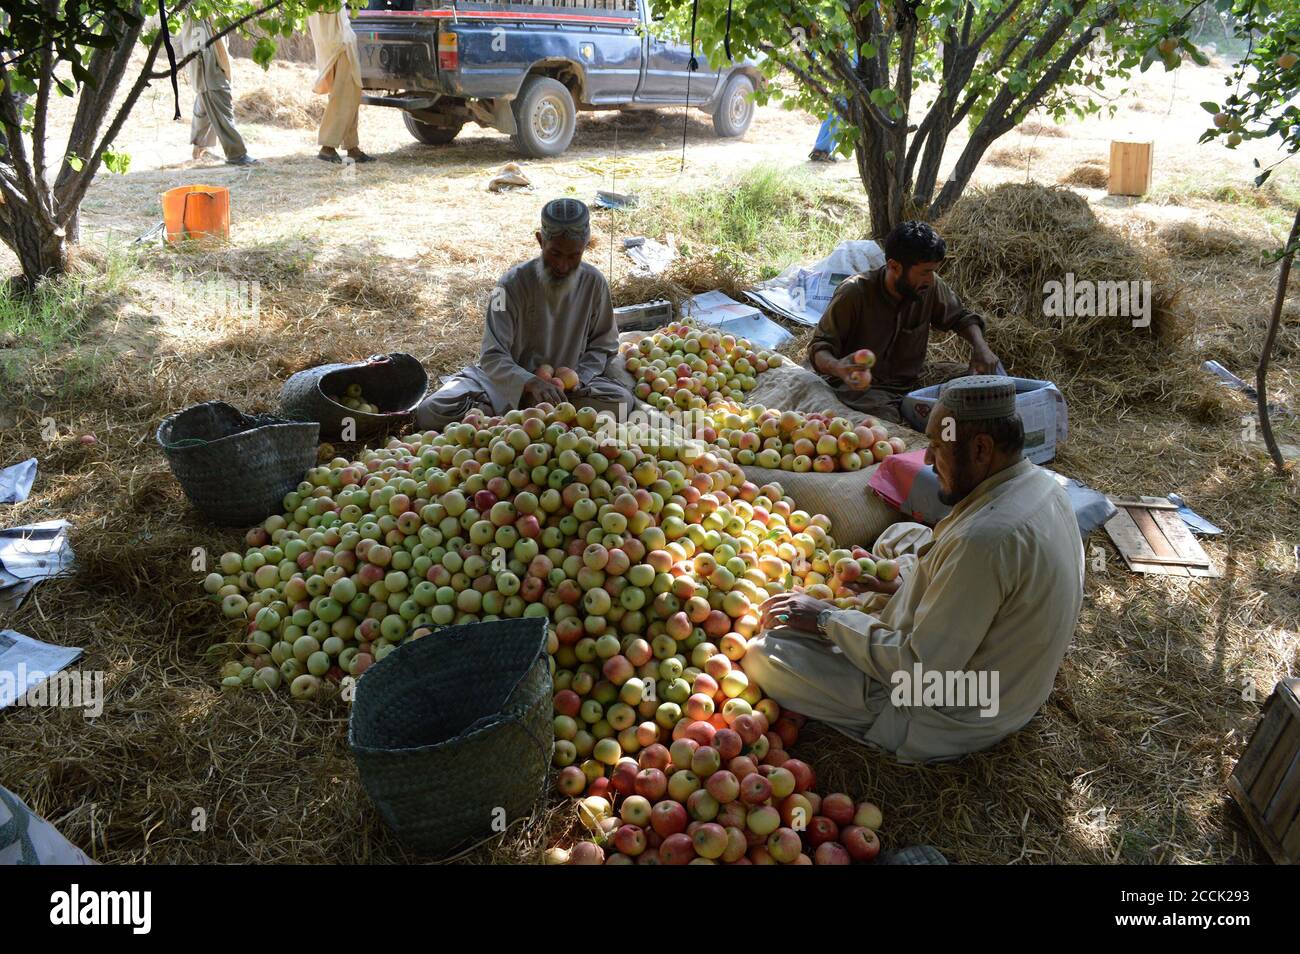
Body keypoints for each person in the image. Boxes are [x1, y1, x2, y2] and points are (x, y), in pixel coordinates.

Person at [744, 376, 1085, 764]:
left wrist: (826, 618)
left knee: (764, 654)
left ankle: (888, 719)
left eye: (938, 447)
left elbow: (919, 672)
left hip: (953, 709)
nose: (926, 459)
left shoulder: (983, 543)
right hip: (1008, 679)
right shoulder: (1043, 486)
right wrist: (903, 586)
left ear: (981, 449)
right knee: (901, 534)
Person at [414, 198, 635, 429]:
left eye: (573, 256)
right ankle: (528, 417)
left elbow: (604, 344)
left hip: (565, 392)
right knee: (431, 411)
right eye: (555, 253)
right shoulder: (508, 286)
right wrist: (529, 382)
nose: (563, 265)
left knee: (621, 402)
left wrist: (578, 377)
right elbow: (492, 355)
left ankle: (513, 421)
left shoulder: (595, 283)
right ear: (541, 241)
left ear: (585, 246)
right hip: (505, 385)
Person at [808, 220, 1002, 424]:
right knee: (888, 425)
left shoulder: (929, 286)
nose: (930, 279)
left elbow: (961, 317)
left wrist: (981, 348)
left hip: (910, 383)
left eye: (933, 271)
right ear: (894, 266)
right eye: (925, 272)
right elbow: (820, 348)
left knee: (979, 384)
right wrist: (839, 367)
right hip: (863, 390)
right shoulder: (855, 293)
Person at [181, 18, 257, 167]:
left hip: (210, 74)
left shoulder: (204, 8)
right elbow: (199, 47)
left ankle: (200, 149)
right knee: (222, 113)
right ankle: (237, 154)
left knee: (204, 110)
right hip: (210, 75)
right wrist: (211, 73)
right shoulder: (196, 11)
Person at [308, 8, 373, 164]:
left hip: (333, 42)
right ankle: (328, 146)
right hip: (340, 44)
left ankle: (352, 147)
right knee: (346, 95)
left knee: (349, 96)